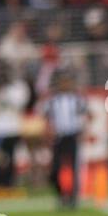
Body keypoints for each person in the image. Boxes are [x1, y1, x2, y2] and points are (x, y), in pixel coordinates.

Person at [0, 67, 33, 196]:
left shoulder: (13, 90)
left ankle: (10, 186)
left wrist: (5, 95)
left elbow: (21, 103)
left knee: (11, 159)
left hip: (12, 130)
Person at [41, 69, 88, 208]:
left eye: (67, 82)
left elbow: (85, 115)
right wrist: (48, 133)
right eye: (63, 82)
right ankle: (61, 195)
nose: (65, 85)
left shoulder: (77, 99)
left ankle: (73, 198)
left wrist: (83, 130)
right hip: (59, 137)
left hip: (73, 135)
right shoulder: (52, 101)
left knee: (74, 168)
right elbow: (46, 118)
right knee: (55, 169)